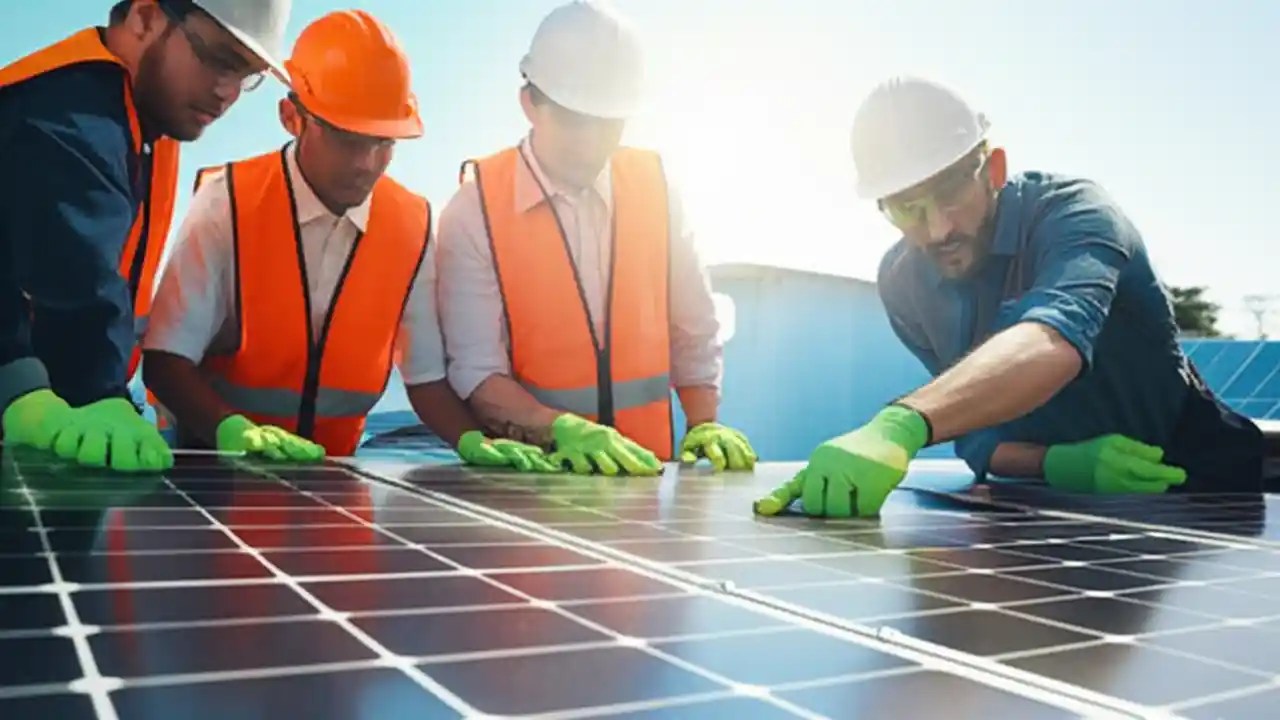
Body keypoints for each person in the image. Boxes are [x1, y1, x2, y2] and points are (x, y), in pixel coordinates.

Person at [756, 75, 1265, 518]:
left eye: (951, 192)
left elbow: (1052, 340)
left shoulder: (1074, 214)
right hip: (1050, 496)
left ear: (993, 168)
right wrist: (1055, 465)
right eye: (907, 209)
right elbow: (976, 431)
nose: (937, 230)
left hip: (1190, 467)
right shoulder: (903, 283)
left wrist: (901, 423)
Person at [141, 9, 556, 472]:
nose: (367, 163)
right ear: (291, 117)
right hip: (213, 471)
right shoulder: (228, 203)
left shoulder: (412, 224)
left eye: (384, 143)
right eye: (347, 139)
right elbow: (165, 360)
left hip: (333, 478)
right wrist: (230, 430)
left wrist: (472, 441)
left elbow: (425, 380)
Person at [436, 0, 757, 477]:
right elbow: (476, 370)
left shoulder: (657, 188)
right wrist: (556, 427)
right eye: (574, 120)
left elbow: (694, 325)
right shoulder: (474, 208)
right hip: (532, 493)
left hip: (650, 486)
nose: (591, 141)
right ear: (530, 103)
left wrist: (704, 421)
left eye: (607, 123)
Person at [0, 0, 290, 472]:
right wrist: (80, 391)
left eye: (248, 75)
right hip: (43, 416)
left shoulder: (142, 119)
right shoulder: (65, 114)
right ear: (145, 17)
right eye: (218, 59)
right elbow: (81, 279)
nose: (227, 92)